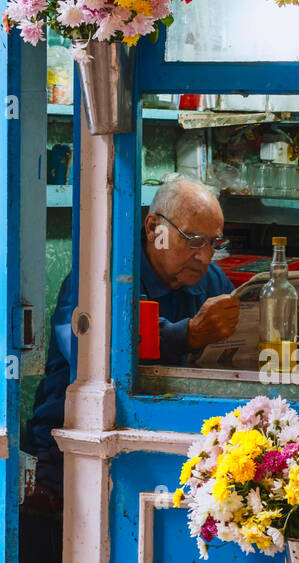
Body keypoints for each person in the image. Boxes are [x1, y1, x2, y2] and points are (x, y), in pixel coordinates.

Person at [26, 176, 240, 497]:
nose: (204, 256)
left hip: (175, 437)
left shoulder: (212, 282)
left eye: (214, 243)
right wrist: (187, 335)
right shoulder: (102, 278)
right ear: (154, 227)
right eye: (193, 240)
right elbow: (91, 352)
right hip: (72, 446)